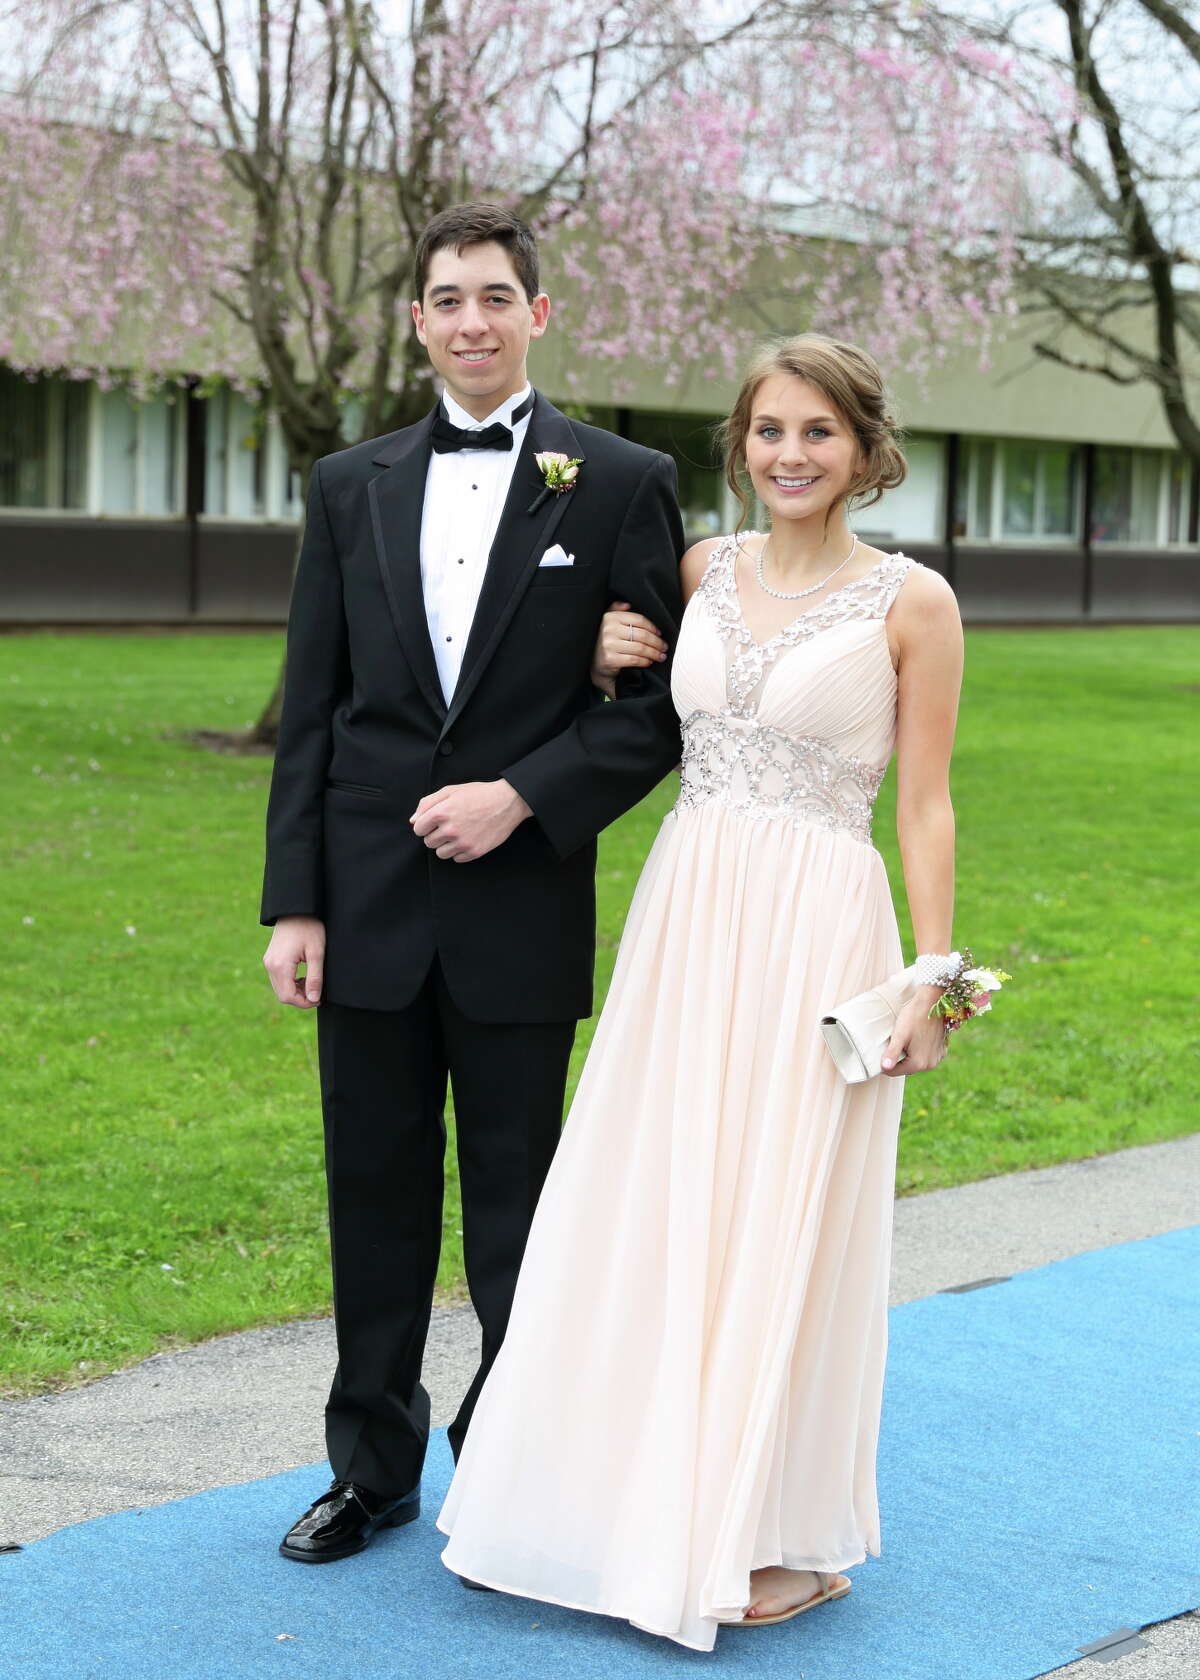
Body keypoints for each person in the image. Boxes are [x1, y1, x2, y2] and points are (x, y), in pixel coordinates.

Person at [437, 334, 965, 1649]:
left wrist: (932, 986)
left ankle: (756, 1524)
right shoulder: (697, 570)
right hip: (691, 913)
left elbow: (929, 801)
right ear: (743, 443)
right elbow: (629, 711)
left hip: (820, 929)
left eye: (818, 433)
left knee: (782, 1210)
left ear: (862, 448)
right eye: (770, 430)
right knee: (658, 1189)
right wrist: (613, 652)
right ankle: (609, 1500)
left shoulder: (915, 601)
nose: (791, 455)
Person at [259, 202, 684, 1564]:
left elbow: (661, 708)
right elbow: (313, 709)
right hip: (367, 908)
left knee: (518, 1211)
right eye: (448, 299)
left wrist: (523, 798)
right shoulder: (347, 485)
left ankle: (510, 1471)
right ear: (420, 321)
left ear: (538, 316)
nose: (472, 320)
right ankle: (371, 1467)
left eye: (497, 296)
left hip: (519, 908)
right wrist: (296, 902)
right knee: (371, 1197)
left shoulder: (618, 481)